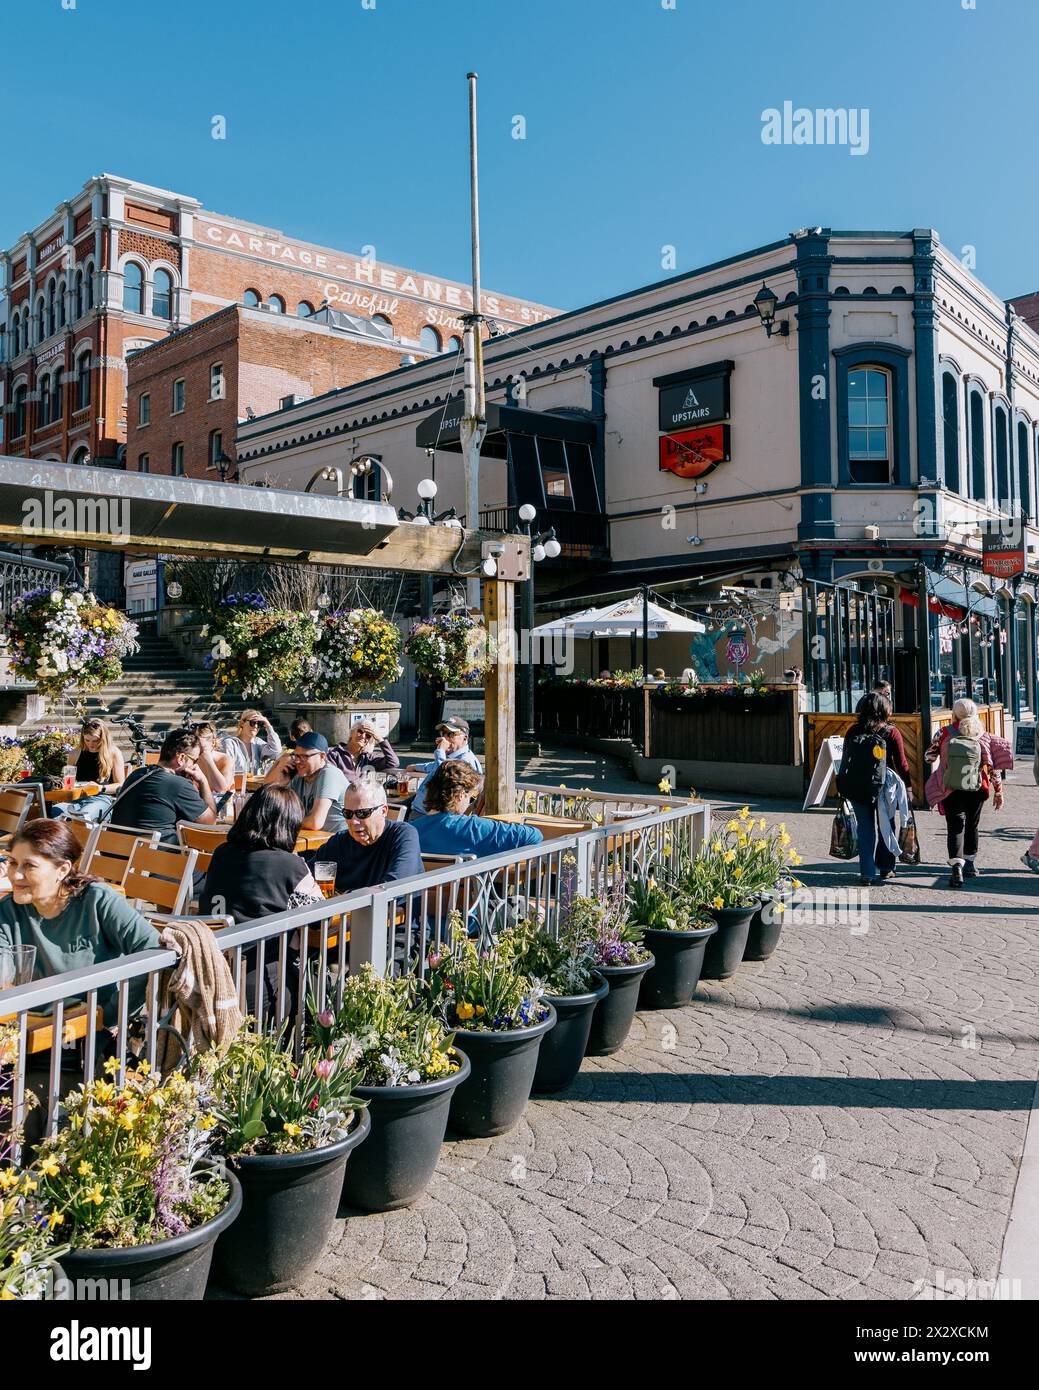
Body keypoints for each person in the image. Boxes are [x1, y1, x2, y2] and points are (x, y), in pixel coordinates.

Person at [0, 819, 161, 1027]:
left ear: (62, 869)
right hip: (28, 1031)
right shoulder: (7, 910)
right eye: (12, 862)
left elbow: (153, 951)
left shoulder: (97, 901)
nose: (16, 875)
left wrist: (110, 1015)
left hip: (91, 1036)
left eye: (29, 865)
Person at [200, 785, 322, 1016]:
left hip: (212, 971)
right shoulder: (288, 865)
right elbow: (318, 917)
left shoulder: (222, 852)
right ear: (289, 824)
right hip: (261, 981)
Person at [925, 698, 1002, 888]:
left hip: (950, 788)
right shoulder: (982, 734)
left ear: (954, 714)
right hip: (977, 788)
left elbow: (929, 757)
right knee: (972, 825)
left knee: (955, 826)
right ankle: (970, 865)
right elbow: (992, 766)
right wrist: (998, 790)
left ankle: (956, 868)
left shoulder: (943, 733)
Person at [836, 692, 911, 886]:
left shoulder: (853, 731)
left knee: (865, 828)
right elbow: (901, 764)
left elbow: (845, 759)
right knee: (887, 826)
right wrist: (908, 787)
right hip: (884, 788)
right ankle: (886, 868)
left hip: (857, 787)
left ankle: (867, 873)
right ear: (884, 710)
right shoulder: (891, 732)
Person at [307, 778, 422, 894]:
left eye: (362, 813)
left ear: (383, 811)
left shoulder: (403, 835)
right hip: (349, 910)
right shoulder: (339, 842)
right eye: (348, 814)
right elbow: (306, 875)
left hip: (393, 910)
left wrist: (347, 897)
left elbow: (395, 885)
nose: (353, 821)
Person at [414, 762, 544, 859]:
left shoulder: (408, 830)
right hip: (469, 895)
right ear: (461, 795)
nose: (470, 804)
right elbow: (534, 835)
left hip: (424, 895)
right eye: (472, 798)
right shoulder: (474, 827)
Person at [111, 727, 217, 842]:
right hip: (152, 857)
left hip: (115, 853)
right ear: (181, 758)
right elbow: (209, 824)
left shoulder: (136, 774)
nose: (195, 766)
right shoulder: (179, 785)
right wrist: (203, 781)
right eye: (194, 761)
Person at [264, 731, 348, 833]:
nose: (298, 761)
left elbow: (315, 822)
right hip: (314, 841)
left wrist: (283, 821)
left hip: (336, 842)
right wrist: (280, 763)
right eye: (296, 756)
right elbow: (266, 792)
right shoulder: (300, 774)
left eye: (304, 756)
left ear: (322, 756)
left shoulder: (329, 774)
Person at [49, 718, 126, 823]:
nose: (91, 744)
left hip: (101, 798)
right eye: (87, 740)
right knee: (53, 812)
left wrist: (100, 788)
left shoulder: (113, 753)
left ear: (103, 738)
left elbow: (120, 785)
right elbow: (68, 782)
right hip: (76, 798)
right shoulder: (75, 754)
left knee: (82, 817)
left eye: (95, 740)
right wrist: (66, 785)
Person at [411, 717, 482, 815]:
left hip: (432, 816)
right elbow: (435, 765)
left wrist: (440, 751)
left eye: (450, 734)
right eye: (443, 733)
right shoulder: (452, 757)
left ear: (465, 738)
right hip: (421, 809)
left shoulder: (466, 761)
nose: (444, 738)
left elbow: (442, 777)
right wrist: (416, 767)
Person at [327, 719, 400, 781]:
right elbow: (331, 779)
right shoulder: (334, 754)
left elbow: (393, 763)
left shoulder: (368, 758)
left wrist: (379, 738)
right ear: (352, 733)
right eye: (360, 731)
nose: (363, 736)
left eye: (368, 735)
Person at [221, 709, 282, 775]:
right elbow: (227, 771)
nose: (256, 726)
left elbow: (276, 751)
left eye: (259, 724)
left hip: (254, 784)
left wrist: (268, 726)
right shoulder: (230, 743)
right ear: (242, 723)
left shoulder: (258, 743)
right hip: (235, 784)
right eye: (252, 722)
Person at [190, 720, 235, 802]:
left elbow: (221, 790)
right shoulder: (191, 760)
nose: (196, 750)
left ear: (213, 743)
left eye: (201, 746)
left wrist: (208, 760)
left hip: (222, 807)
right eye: (194, 745)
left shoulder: (225, 759)